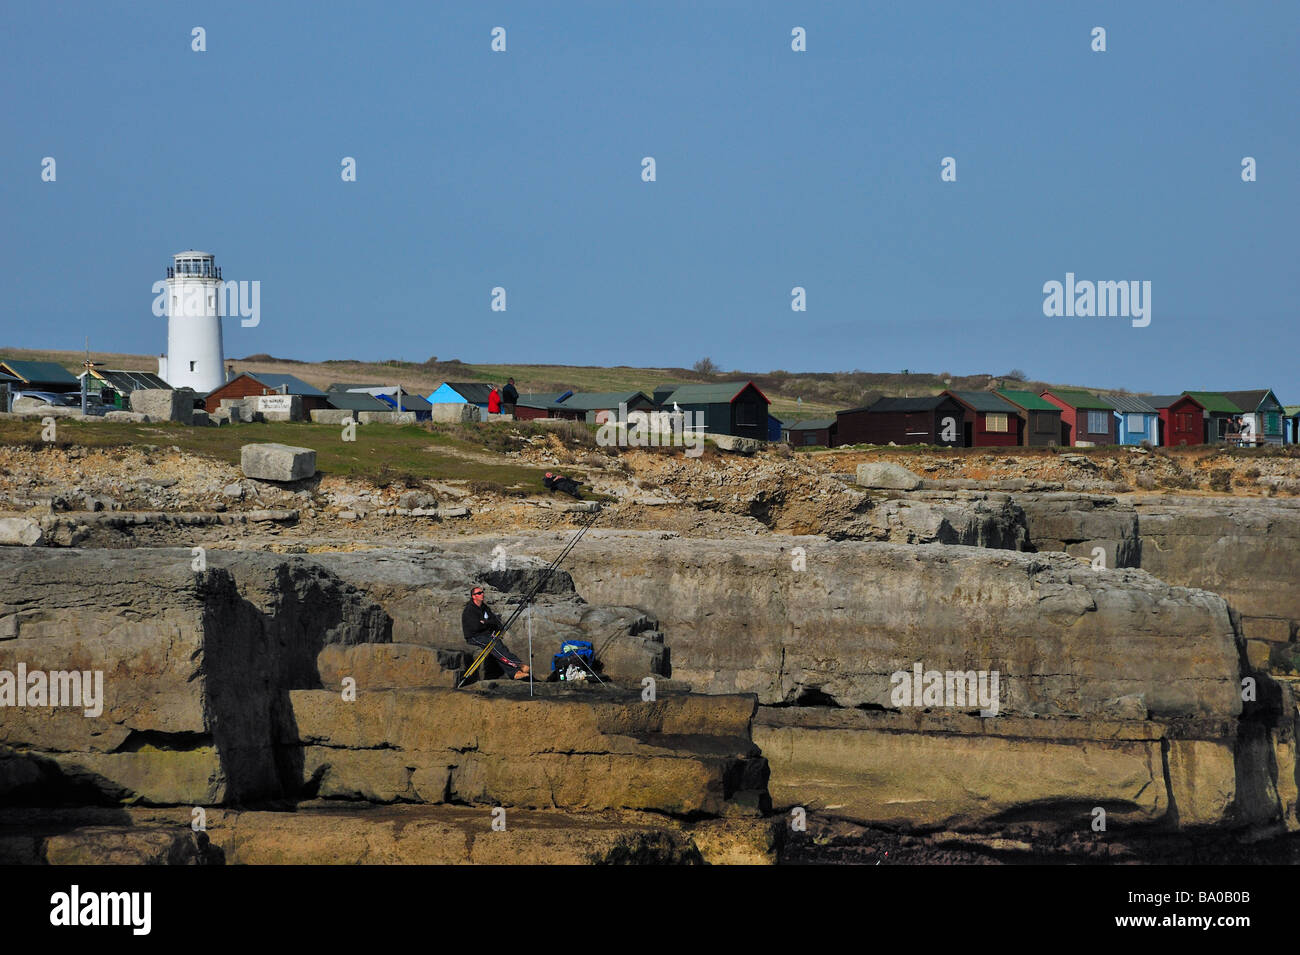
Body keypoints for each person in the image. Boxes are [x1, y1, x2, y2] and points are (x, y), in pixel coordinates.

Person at [461, 586, 529, 680]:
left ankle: (514, 673)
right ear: (473, 596)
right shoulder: (470, 610)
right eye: (479, 593)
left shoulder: (484, 607)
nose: (482, 594)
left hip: (486, 634)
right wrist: (487, 623)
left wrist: (486, 622)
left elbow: (494, 620)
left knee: (498, 648)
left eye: (482, 592)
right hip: (474, 637)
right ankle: (519, 664)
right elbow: (476, 627)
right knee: (494, 645)